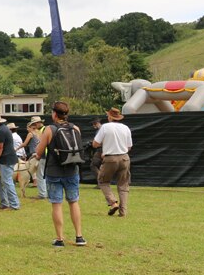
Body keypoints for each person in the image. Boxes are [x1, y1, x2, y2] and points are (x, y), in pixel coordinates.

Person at [34, 101, 87, 247]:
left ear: (54, 114)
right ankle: (79, 236)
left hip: (54, 171)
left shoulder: (50, 129)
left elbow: (39, 151)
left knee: (57, 205)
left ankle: (60, 238)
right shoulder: (75, 128)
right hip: (72, 170)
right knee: (74, 202)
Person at [93, 107, 132, 217]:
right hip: (125, 158)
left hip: (110, 158)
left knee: (103, 181)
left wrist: (105, 148)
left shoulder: (105, 127)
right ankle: (123, 211)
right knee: (123, 185)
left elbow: (95, 144)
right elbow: (129, 147)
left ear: (110, 117)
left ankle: (113, 202)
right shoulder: (126, 128)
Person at [25, 116, 48, 199]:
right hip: (48, 156)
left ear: (38, 123)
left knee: (40, 175)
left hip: (43, 156)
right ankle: (47, 193)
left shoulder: (41, 131)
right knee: (45, 175)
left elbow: (42, 144)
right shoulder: (46, 129)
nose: (34, 126)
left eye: (34, 124)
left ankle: (42, 194)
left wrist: (38, 154)